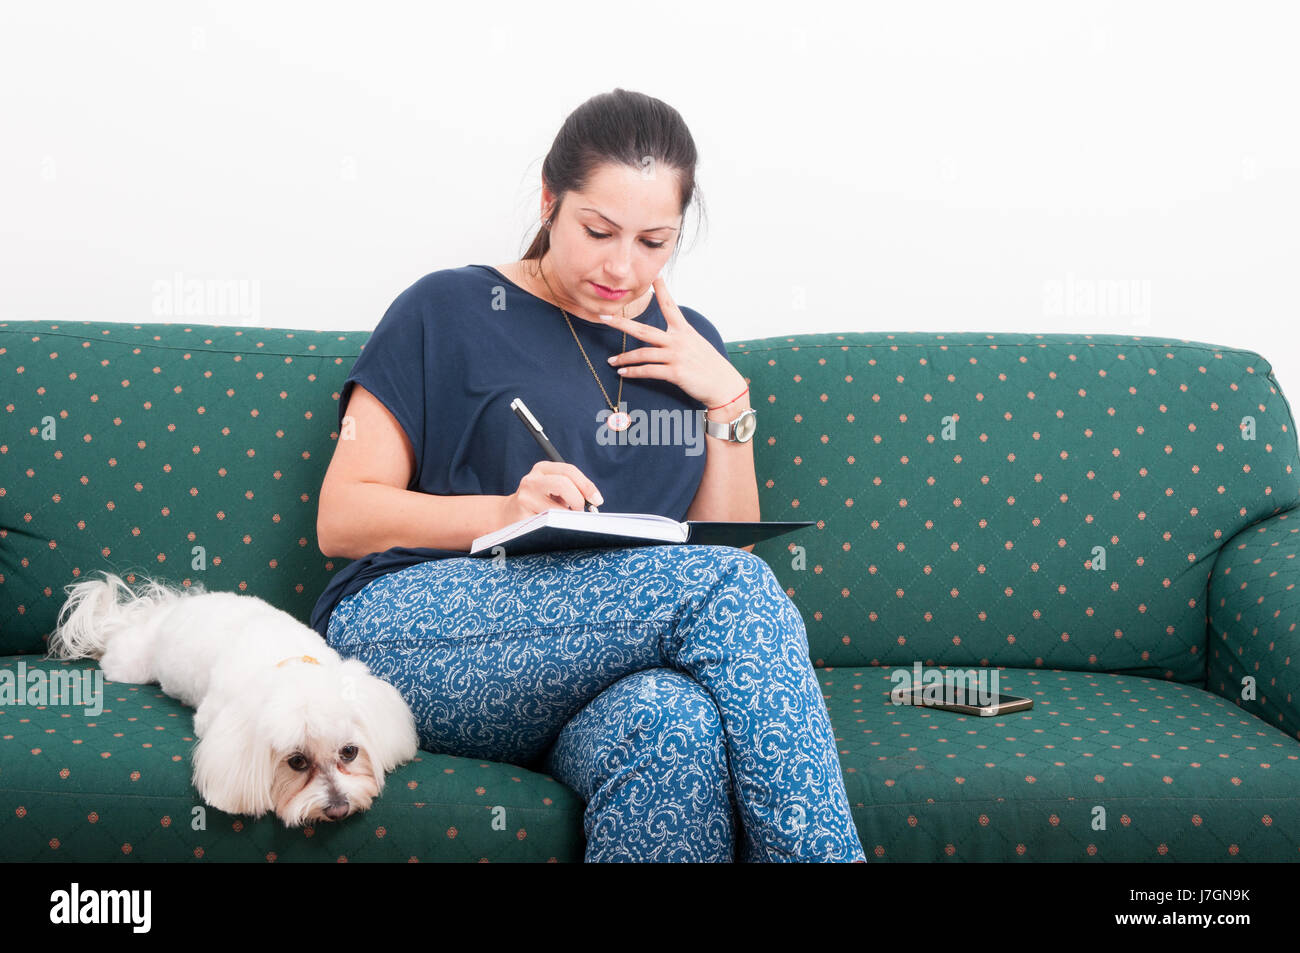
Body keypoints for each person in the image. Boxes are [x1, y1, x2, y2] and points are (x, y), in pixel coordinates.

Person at [312, 88, 866, 862]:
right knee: (730, 597)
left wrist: (729, 403)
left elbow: (721, 554)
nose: (620, 264)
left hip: (596, 678)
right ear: (549, 201)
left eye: (653, 241)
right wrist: (506, 508)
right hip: (413, 637)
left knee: (677, 727)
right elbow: (341, 517)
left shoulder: (687, 344)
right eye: (598, 230)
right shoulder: (447, 307)